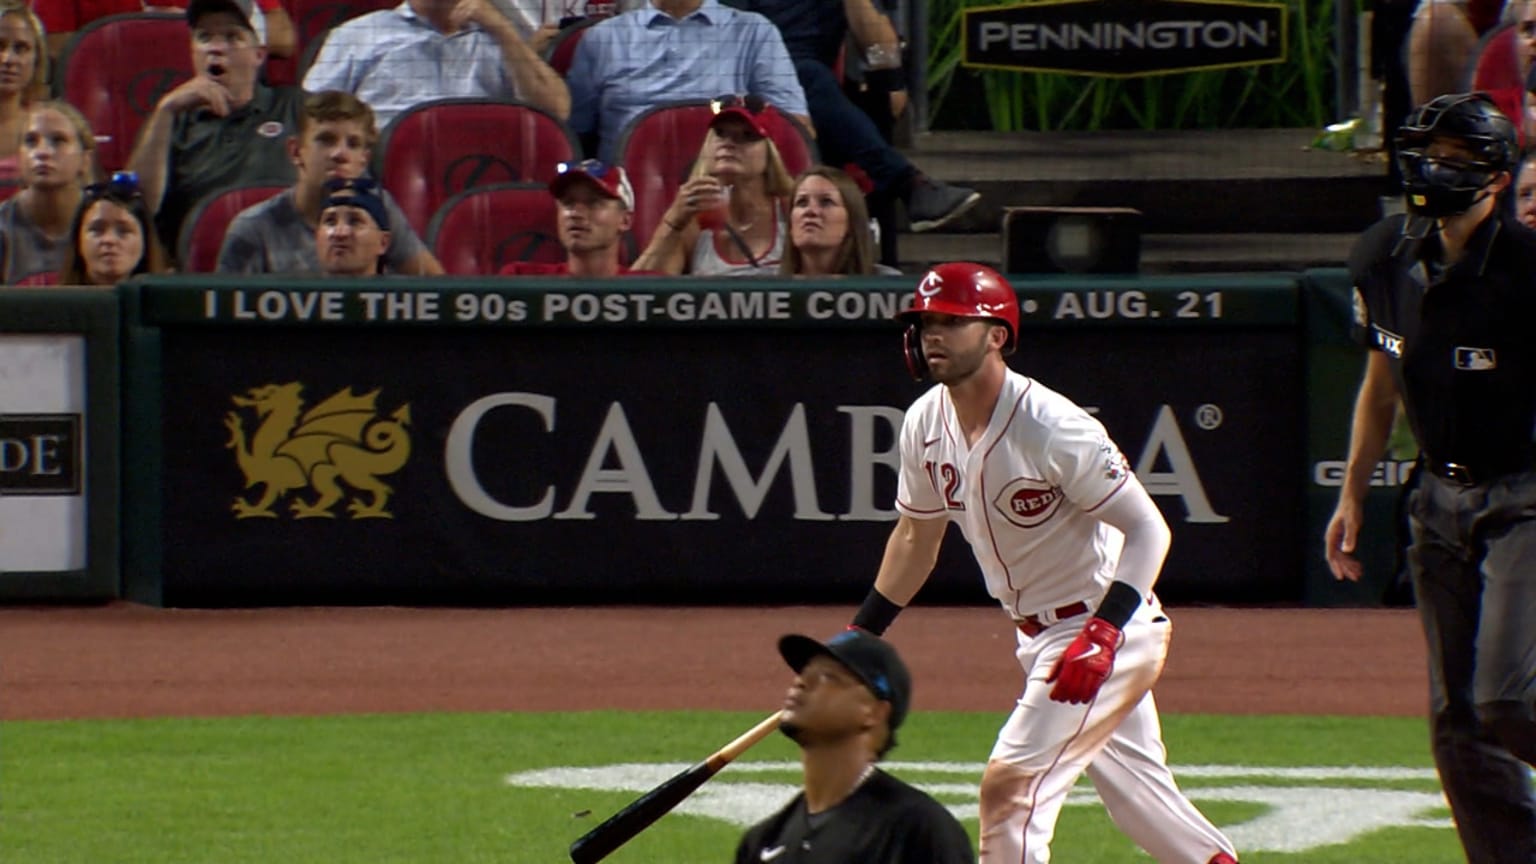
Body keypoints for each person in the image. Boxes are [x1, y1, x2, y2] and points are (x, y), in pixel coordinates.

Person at [847, 262, 1238, 864]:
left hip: (1106, 629)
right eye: (925, 322)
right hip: (1040, 633)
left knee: (1011, 790)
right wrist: (860, 634)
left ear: (996, 335)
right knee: (1142, 805)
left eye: (952, 322)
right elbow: (914, 538)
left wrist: (1103, 635)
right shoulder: (927, 420)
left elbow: (1148, 530)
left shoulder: (1054, 427)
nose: (932, 335)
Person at [1326, 92, 1536, 864]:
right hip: (1435, 502)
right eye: (1429, 153)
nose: (1435, 170)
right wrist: (1352, 494)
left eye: (1455, 158)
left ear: (1494, 178)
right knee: (1457, 728)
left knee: (1508, 702)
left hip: (1525, 496)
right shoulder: (1382, 255)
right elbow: (1382, 382)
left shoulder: (1526, 270)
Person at [734, 0, 981, 238]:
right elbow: (731, 38)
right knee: (809, 76)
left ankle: (880, 220)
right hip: (740, 87)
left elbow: (882, 53)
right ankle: (907, 183)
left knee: (826, 91)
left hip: (813, 99)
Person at [734, 629, 975, 864]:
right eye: (805, 672)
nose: (801, 682)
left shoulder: (916, 831)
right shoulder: (763, 840)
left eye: (829, 677)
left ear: (874, 711)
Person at [126, 0, 305, 262]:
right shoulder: (171, 121)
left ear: (259, 54)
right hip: (195, 275)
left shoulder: (297, 108)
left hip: (291, 269)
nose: (216, 48)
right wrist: (164, 112)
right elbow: (136, 208)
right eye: (204, 37)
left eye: (233, 37)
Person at [216, 90, 442, 275]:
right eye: (326, 140)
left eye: (353, 144)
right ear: (296, 152)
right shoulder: (253, 227)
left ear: (364, 160)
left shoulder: (380, 208)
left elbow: (433, 289)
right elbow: (226, 315)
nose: (340, 154)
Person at [564, 0, 809, 164]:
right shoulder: (601, 39)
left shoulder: (754, 32)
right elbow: (572, 134)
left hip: (727, 187)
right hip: (627, 198)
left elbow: (797, 131)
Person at [301, 0, 570, 131]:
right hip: (379, 182)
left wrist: (502, 29)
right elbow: (309, 120)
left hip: (476, 171)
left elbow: (555, 112)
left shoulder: (499, 40)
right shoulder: (358, 34)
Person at [631, 96, 794, 276]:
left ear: (770, 152)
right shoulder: (692, 222)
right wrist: (672, 223)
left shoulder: (791, 209)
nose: (728, 143)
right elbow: (637, 295)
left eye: (747, 135)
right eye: (720, 133)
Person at [0, 101, 98, 285]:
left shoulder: (104, 224)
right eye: (31, 141)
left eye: (58, 140)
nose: (42, 152)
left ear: (85, 160)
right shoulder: (3, 227)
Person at [498, 158, 644, 276]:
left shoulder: (649, 290)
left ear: (625, 220)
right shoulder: (521, 279)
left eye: (593, 203)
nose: (576, 213)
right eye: (568, 203)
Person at [35, 0, 296, 60]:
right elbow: (55, 47)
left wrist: (212, 34)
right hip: (117, 99)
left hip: (217, 99)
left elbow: (283, 37)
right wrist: (151, 36)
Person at [780, 164, 899, 276]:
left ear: (852, 220)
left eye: (826, 202)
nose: (811, 211)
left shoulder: (890, 283)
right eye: (802, 202)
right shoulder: (764, 282)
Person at [57, 170, 167, 285]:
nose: (109, 240)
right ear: (78, 239)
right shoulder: (51, 300)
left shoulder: (171, 301)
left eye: (123, 231)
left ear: (144, 239)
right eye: (97, 230)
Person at [0, 0, 48, 184]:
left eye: (21, 48)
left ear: (37, 60)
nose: (9, 59)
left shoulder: (55, 127)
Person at [315, 177, 391, 277]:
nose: (339, 233)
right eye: (330, 222)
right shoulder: (293, 291)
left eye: (354, 222)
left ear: (383, 243)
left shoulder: (403, 292)